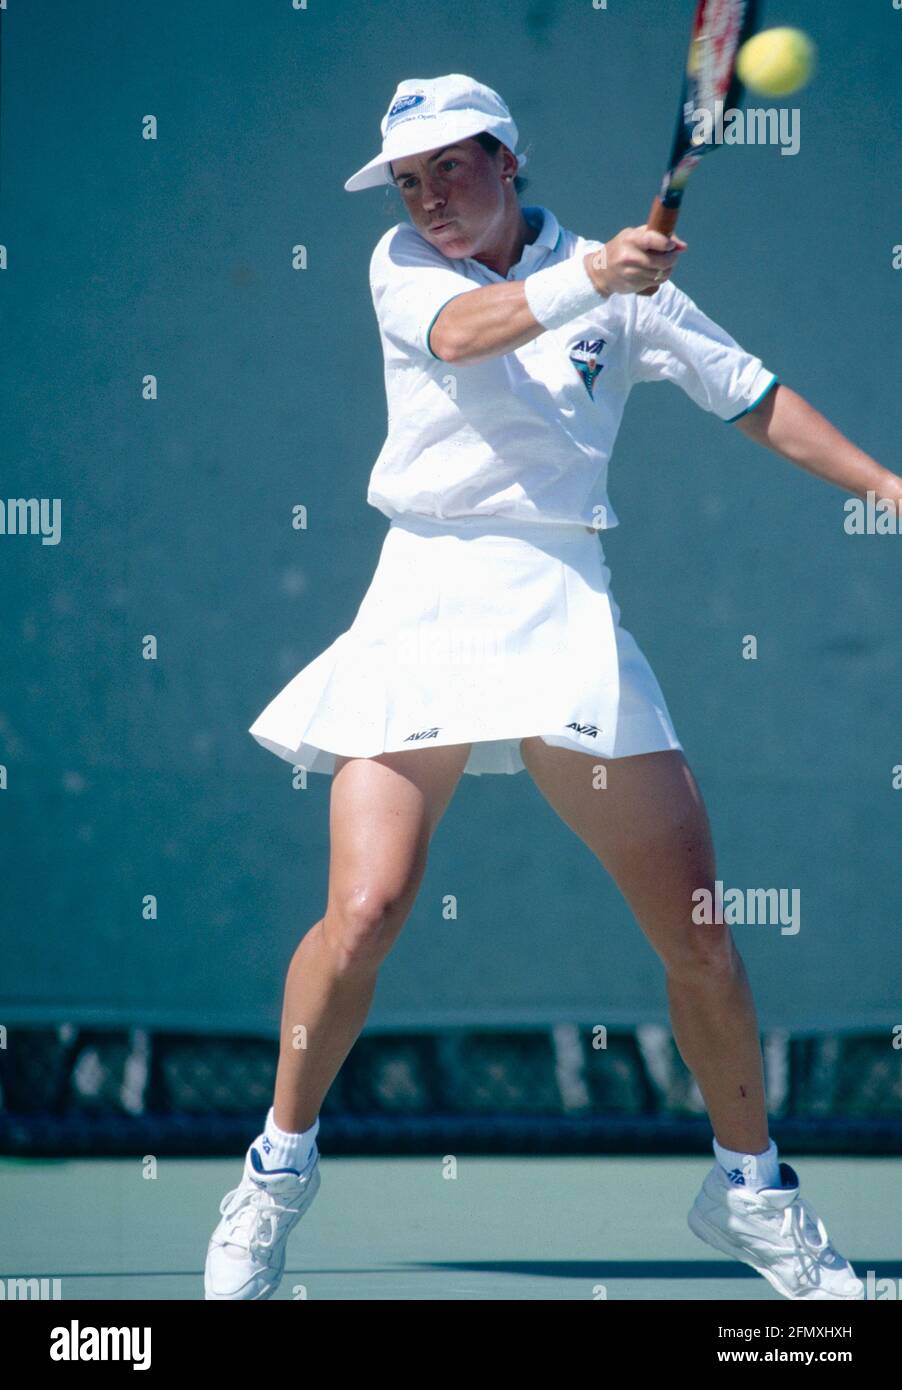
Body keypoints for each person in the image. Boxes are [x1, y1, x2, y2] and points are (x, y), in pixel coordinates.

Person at [205, 74, 901, 1301]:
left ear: (507, 161)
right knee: (364, 911)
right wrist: (598, 280)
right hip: (420, 598)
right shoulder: (401, 269)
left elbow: (752, 399)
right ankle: (273, 1171)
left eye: (449, 170)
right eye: (408, 180)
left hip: (562, 602)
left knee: (697, 938)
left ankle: (752, 1194)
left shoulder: (626, 289)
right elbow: (471, 335)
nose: (427, 197)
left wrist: (884, 489)